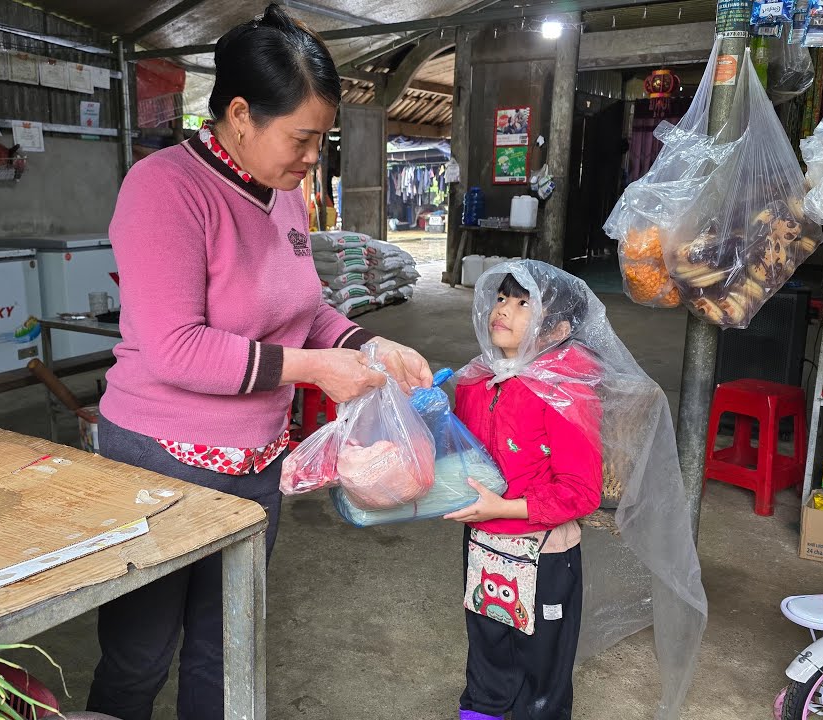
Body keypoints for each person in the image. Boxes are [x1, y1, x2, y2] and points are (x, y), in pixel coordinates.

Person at [87, 6, 431, 719]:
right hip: (159, 461)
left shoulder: (285, 197)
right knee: (141, 653)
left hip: (255, 464)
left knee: (226, 644)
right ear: (239, 114)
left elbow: (304, 311)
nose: (312, 158)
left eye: (320, 140)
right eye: (302, 138)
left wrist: (370, 345)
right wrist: (312, 371)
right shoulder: (164, 191)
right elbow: (175, 346)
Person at [444, 266, 602, 720]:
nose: (503, 310)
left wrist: (503, 507)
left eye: (523, 303)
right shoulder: (476, 382)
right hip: (483, 545)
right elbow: (464, 457)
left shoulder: (568, 392)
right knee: (487, 648)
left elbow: (582, 492)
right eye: (501, 299)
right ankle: (482, 709)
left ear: (557, 330)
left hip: (545, 554)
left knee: (542, 667)